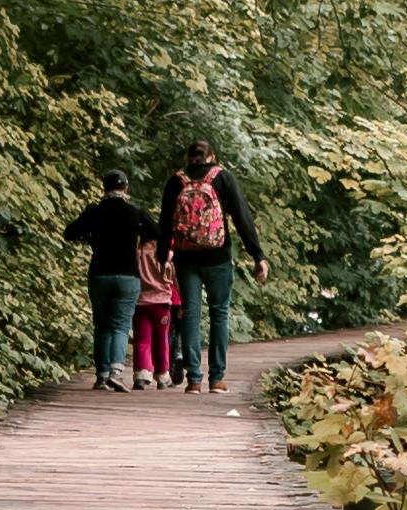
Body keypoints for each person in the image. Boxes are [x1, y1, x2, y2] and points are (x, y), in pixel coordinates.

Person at [167, 139, 265, 390]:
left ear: (188, 159)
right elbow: (243, 218)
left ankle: (194, 380)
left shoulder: (176, 181)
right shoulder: (222, 177)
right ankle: (217, 378)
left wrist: (161, 259)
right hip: (218, 257)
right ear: (212, 156)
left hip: (185, 258)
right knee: (219, 313)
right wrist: (258, 256)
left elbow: (165, 221)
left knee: (190, 313)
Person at [61, 171, 148, 390]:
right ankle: (116, 371)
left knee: (101, 326)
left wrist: (90, 234)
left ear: (104, 188)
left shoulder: (94, 212)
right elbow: (157, 231)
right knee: (120, 325)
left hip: (100, 274)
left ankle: (101, 375)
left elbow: (69, 233)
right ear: (126, 188)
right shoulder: (134, 211)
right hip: (128, 276)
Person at [131, 221, 179, 391]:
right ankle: (162, 375)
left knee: (142, 339)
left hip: (140, 302)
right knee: (161, 340)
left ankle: (142, 374)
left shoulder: (137, 253)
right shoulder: (166, 254)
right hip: (162, 304)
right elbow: (174, 278)